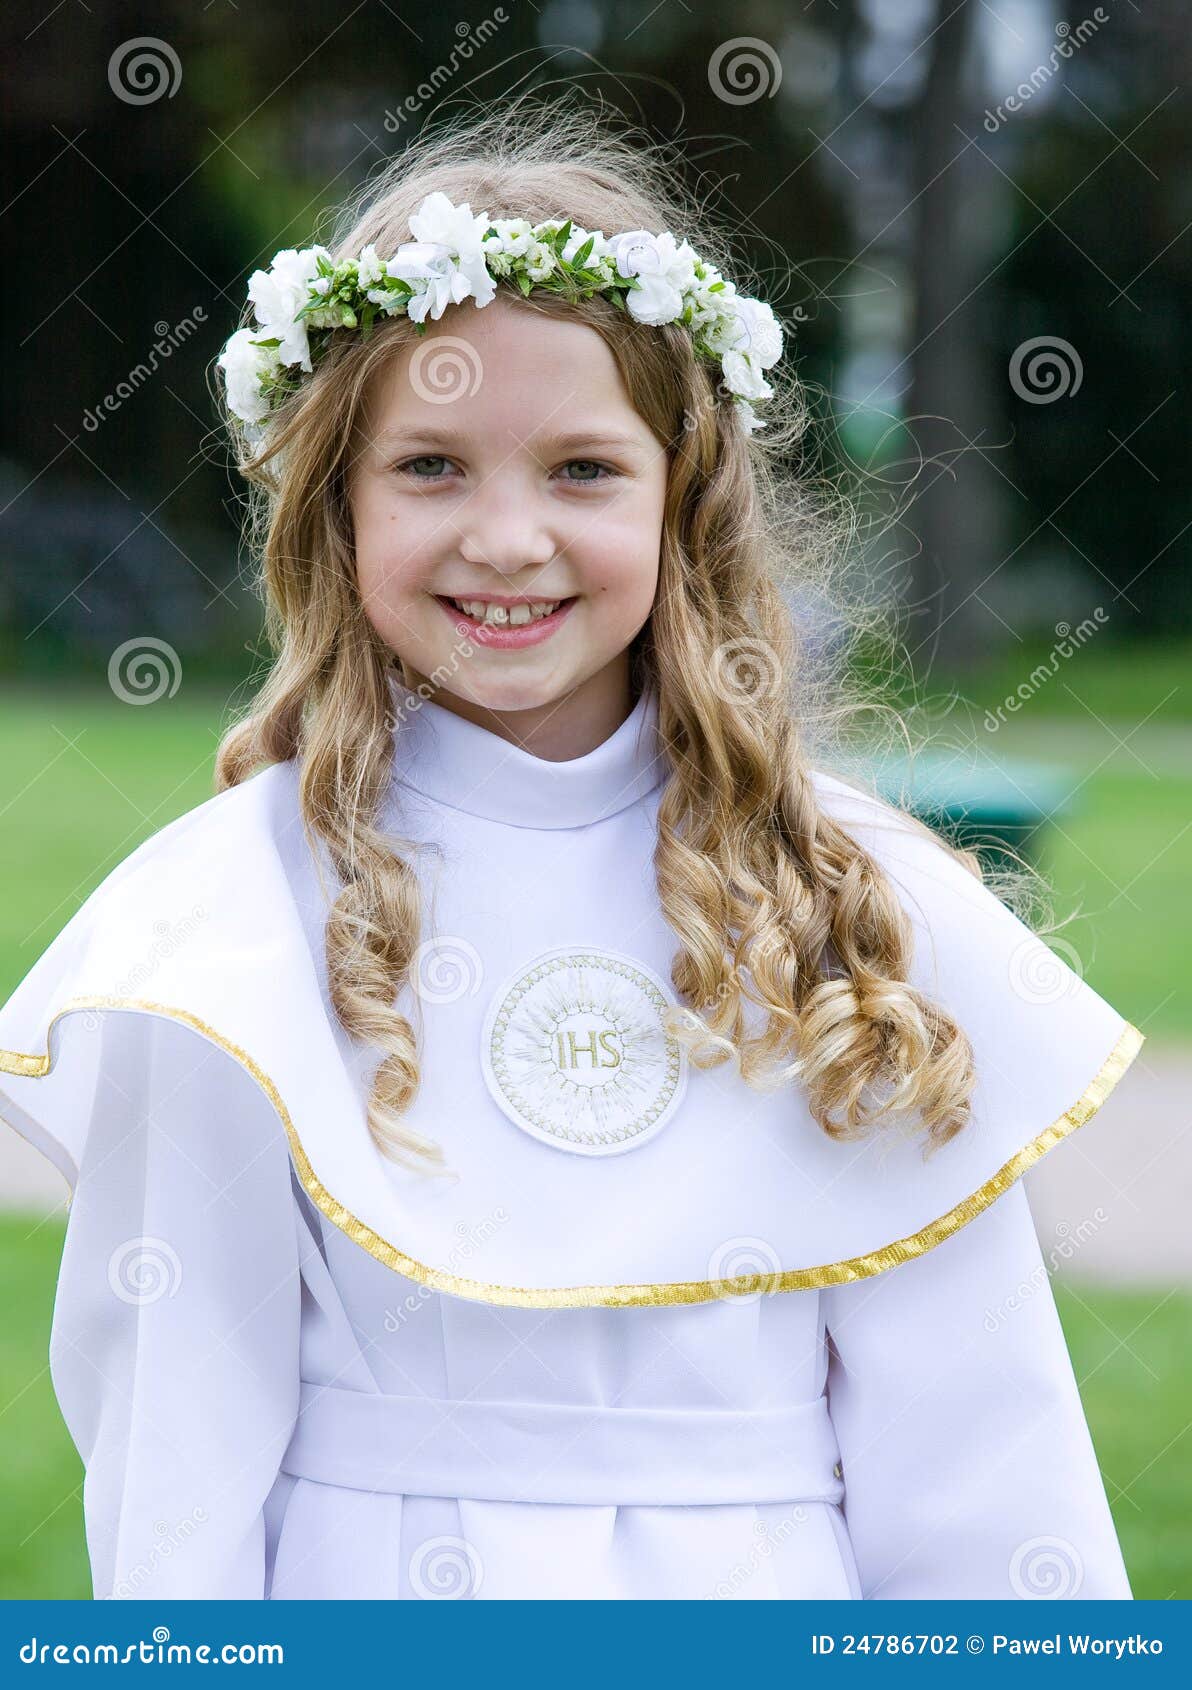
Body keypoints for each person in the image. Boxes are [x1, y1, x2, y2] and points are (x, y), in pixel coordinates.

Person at [0, 101, 1143, 1601]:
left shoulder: (847, 903)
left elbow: (985, 1455)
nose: (507, 537)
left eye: (584, 470)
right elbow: (177, 1439)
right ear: (336, 507)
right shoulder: (235, 922)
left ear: (687, 499)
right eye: (430, 466)